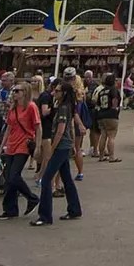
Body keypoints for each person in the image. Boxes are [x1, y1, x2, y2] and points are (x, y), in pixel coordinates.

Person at [36, 73, 86, 224]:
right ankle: (74, 208)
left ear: (63, 93)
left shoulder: (64, 108)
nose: (53, 93)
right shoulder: (65, 106)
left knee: (46, 179)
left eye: (57, 91)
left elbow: (60, 130)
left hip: (61, 147)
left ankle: (45, 216)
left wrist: (51, 148)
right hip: (64, 146)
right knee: (66, 179)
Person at [0, 79, 41, 219]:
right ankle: (10, 209)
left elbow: (38, 127)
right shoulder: (13, 109)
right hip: (12, 143)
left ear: (24, 93)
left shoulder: (31, 107)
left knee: (14, 175)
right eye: (13, 91)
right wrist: (1, 146)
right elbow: (9, 128)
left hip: (23, 144)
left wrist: (38, 146)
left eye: (17, 91)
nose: (14, 93)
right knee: (9, 177)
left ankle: (31, 197)